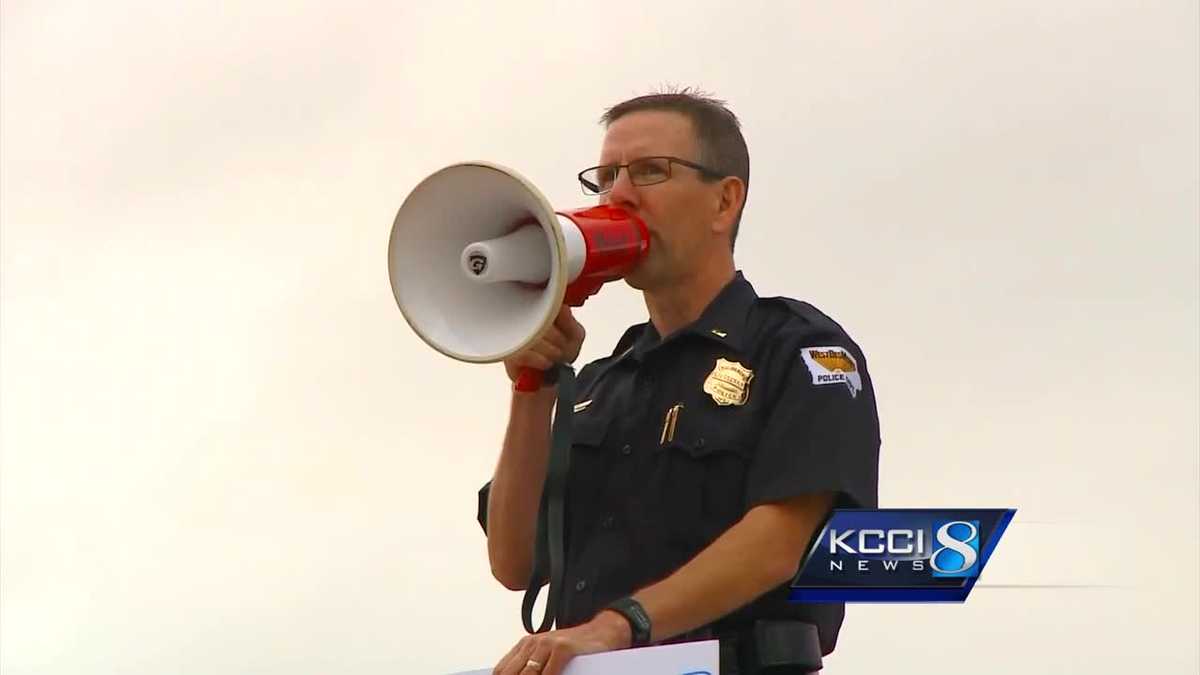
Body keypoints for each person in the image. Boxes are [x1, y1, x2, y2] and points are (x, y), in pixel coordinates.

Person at [477, 90, 880, 675]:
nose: (618, 195)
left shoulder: (796, 350)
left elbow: (784, 539)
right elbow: (514, 561)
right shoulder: (601, 385)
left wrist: (619, 628)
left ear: (724, 201)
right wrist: (532, 391)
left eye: (650, 171)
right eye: (606, 177)